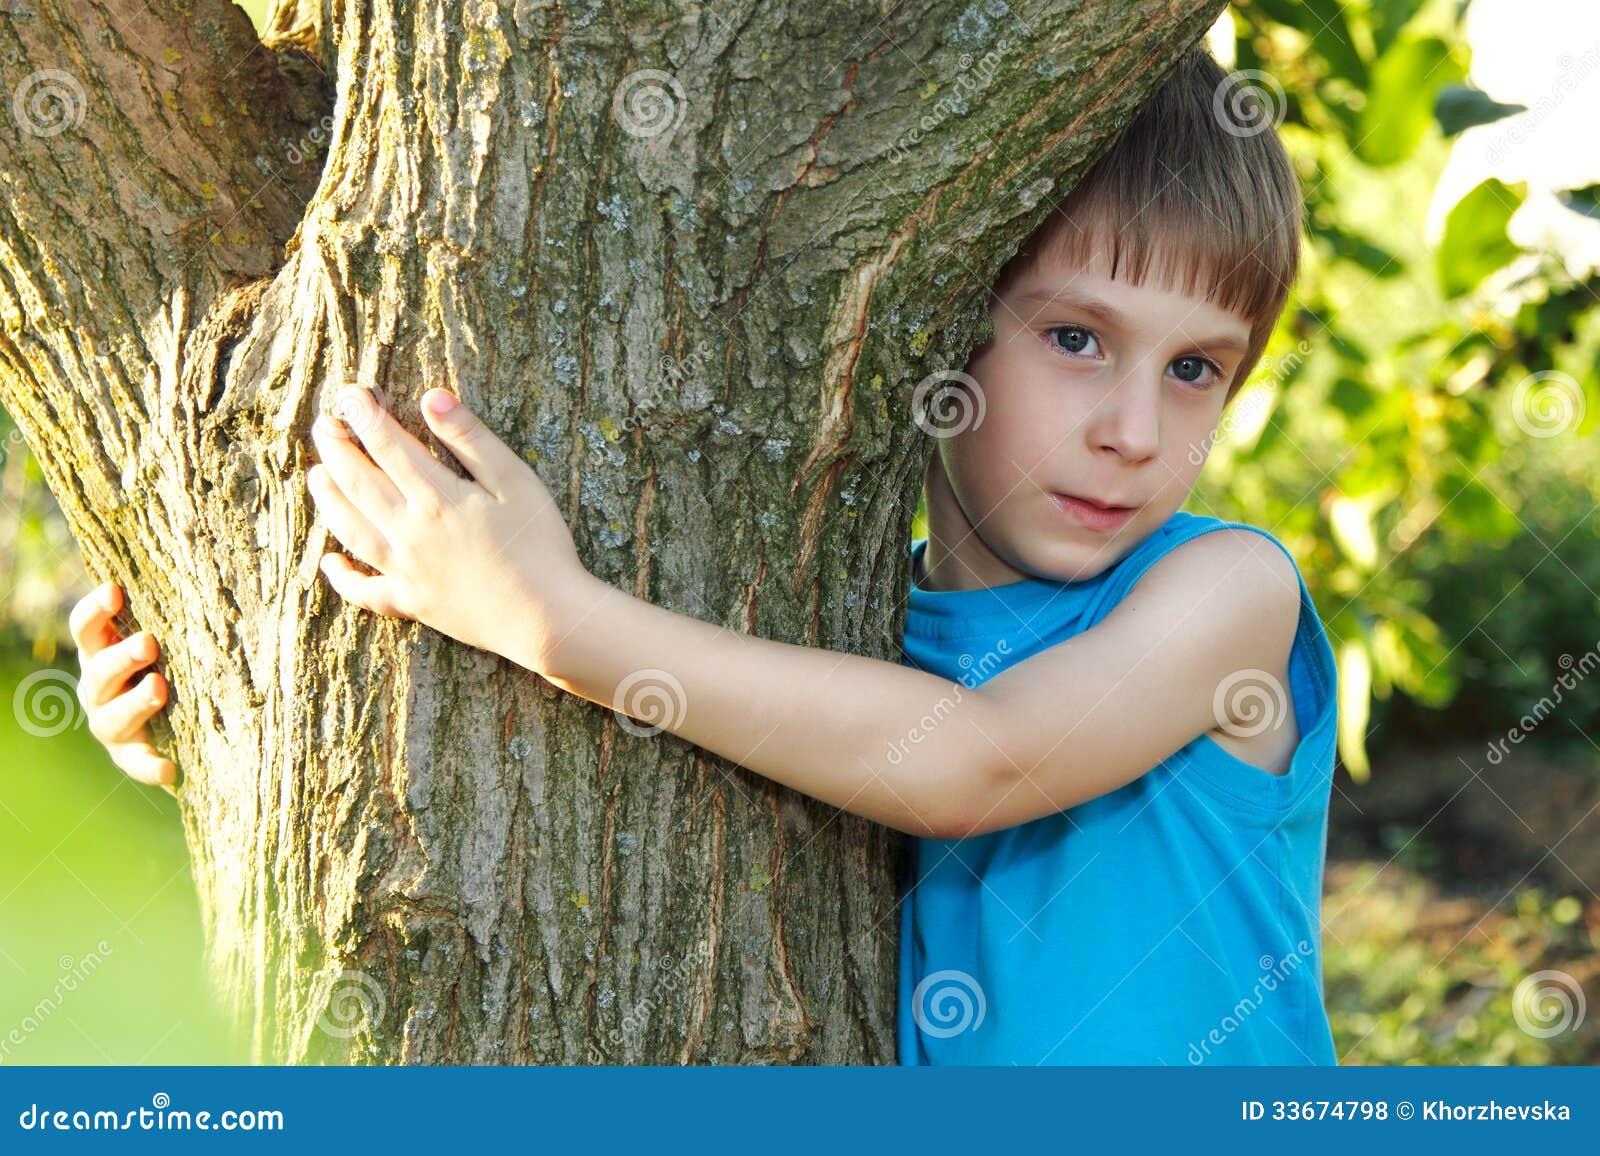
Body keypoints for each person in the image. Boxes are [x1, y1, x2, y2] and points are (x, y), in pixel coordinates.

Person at [69, 45, 1335, 1065]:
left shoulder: (1225, 591)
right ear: (936, 319)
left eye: (1192, 370)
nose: (1131, 430)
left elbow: (972, 761)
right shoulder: (850, 621)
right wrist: (224, 734)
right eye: (1074, 338)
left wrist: (549, 615)